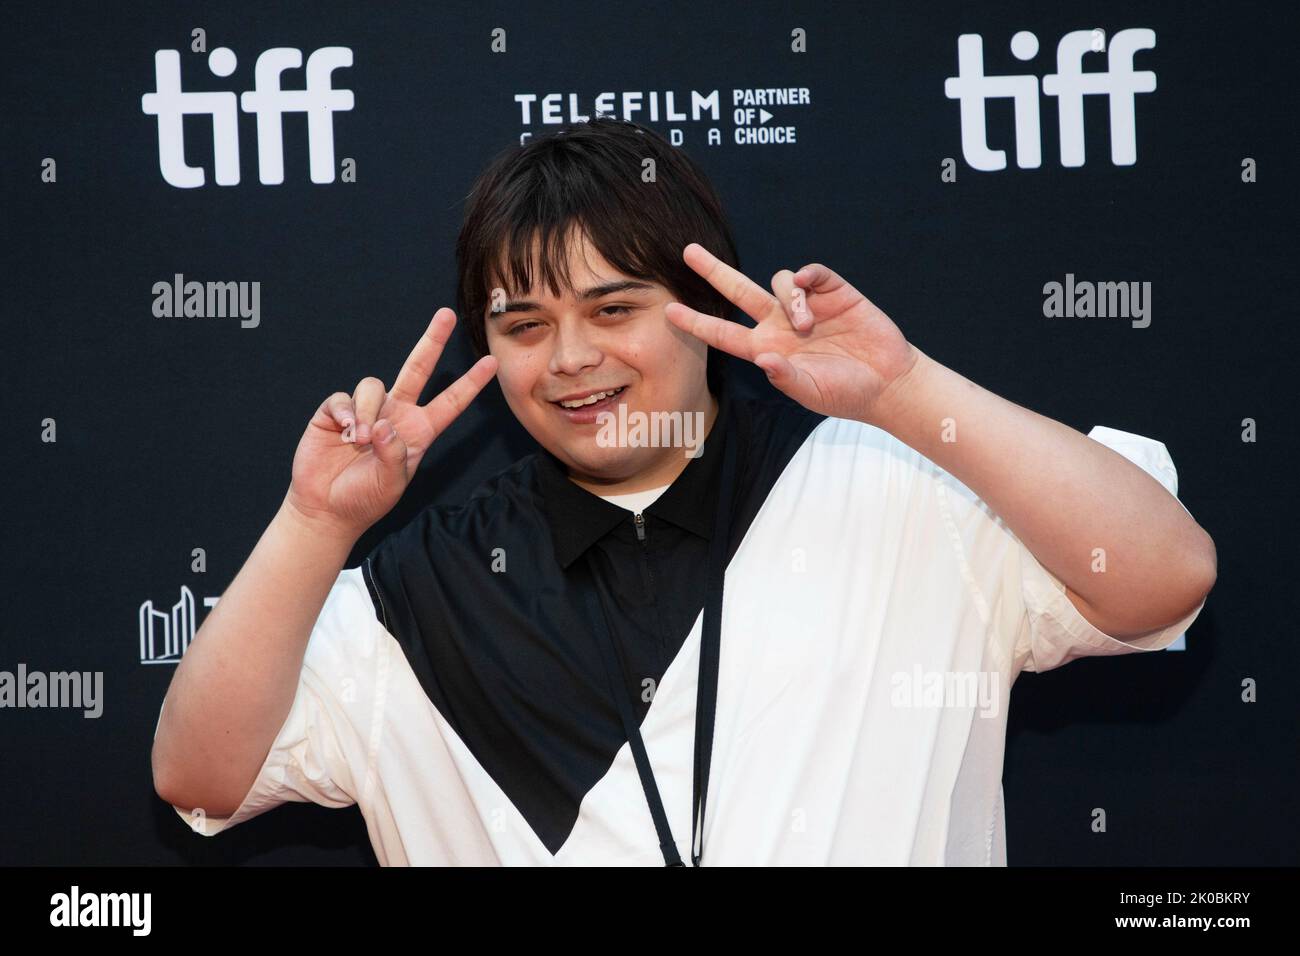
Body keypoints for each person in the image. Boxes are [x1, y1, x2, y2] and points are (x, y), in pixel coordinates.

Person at [151, 117, 1216, 865]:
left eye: (613, 308)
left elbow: (1164, 576)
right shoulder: (413, 592)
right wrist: (315, 521)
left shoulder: (895, 485)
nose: (569, 358)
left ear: (702, 302)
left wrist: (903, 391)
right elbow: (199, 778)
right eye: (523, 326)